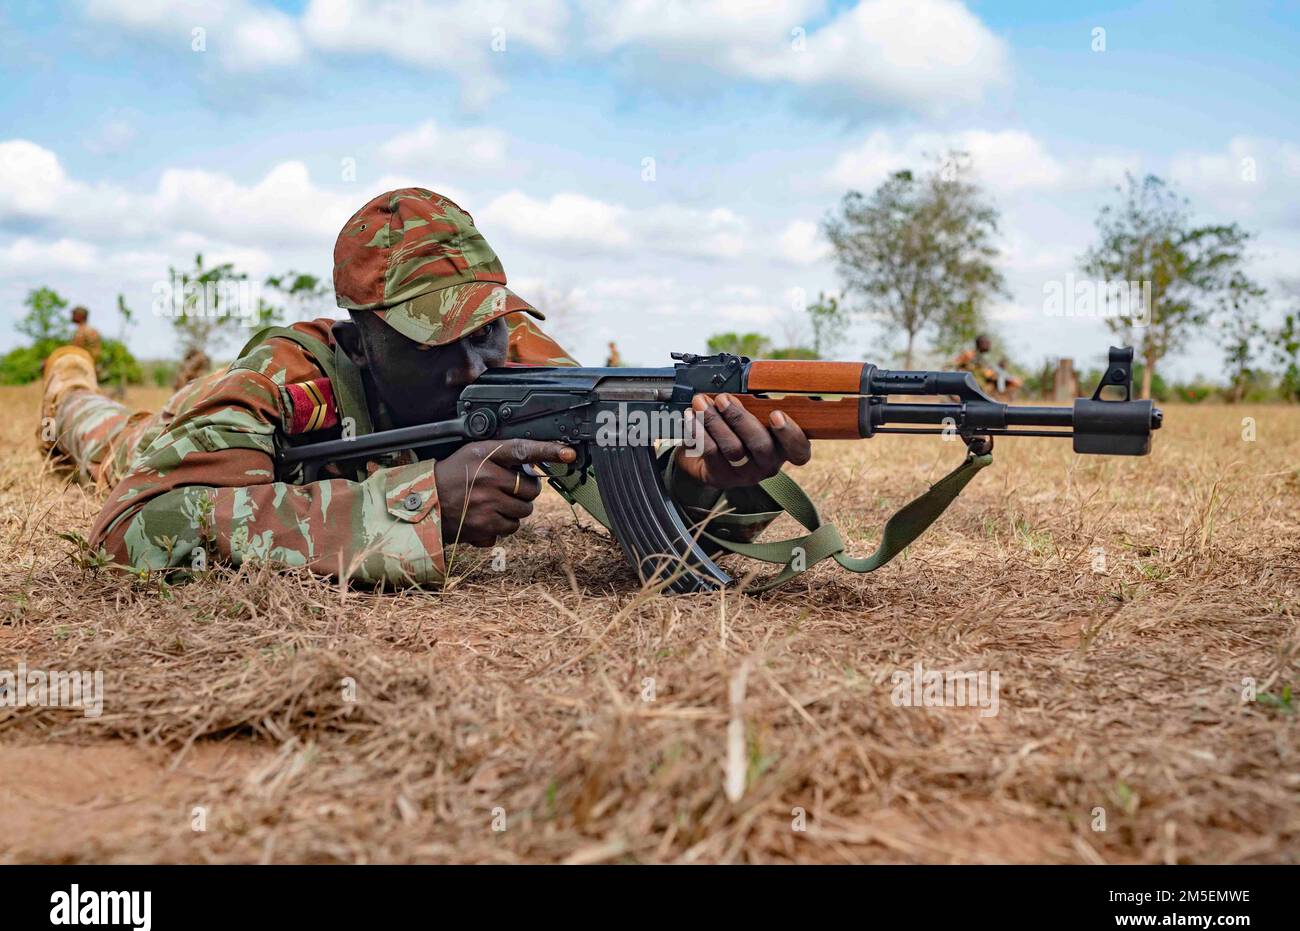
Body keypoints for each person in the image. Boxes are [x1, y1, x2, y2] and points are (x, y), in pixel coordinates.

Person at [39, 188, 812, 586]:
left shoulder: (522, 365)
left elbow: (633, 499)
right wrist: (418, 504)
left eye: (487, 326)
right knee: (111, 432)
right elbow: (135, 528)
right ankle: (69, 387)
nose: (472, 363)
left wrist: (698, 481)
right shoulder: (280, 380)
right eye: (434, 340)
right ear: (363, 334)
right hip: (176, 442)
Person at [953, 334, 1021, 400]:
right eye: (987, 343)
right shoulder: (969, 355)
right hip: (971, 389)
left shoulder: (981, 358)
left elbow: (987, 374)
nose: (989, 345)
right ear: (981, 343)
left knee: (1014, 381)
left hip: (981, 389)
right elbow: (955, 364)